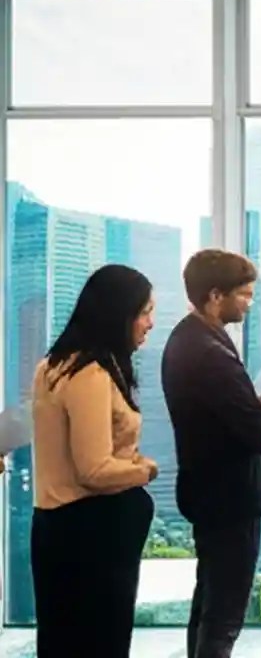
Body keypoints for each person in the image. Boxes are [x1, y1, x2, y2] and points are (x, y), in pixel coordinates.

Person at [29, 264, 160, 658]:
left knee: (62, 641)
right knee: (98, 644)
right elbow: (94, 470)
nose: (150, 323)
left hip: (61, 530)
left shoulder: (52, 365)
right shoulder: (89, 374)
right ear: (118, 315)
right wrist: (144, 470)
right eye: (144, 312)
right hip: (92, 534)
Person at [162, 249, 261, 658]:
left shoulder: (186, 338)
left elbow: (218, 412)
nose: (249, 303)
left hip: (206, 491)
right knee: (224, 616)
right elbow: (256, 433)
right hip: (230, 498)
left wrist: (249, 404)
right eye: (244, 294)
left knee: (208, 605)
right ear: (216, 295)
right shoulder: (211, 353)